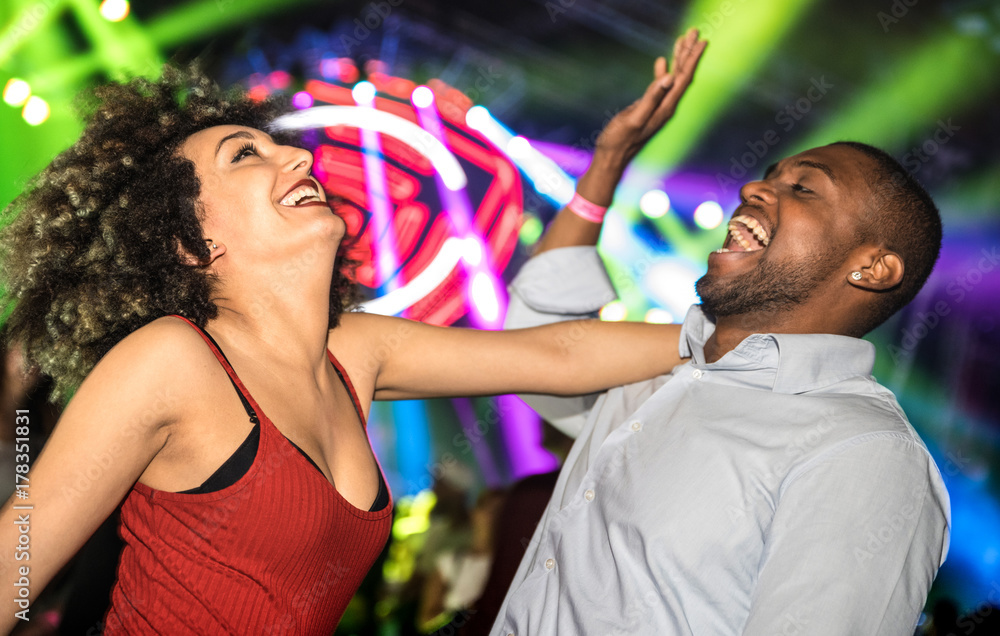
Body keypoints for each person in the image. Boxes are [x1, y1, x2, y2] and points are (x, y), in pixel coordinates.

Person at [0, 54, 698, 634]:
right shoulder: (173, 360)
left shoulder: (355, 351)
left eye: (279, 143)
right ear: (191, 242)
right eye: (246, 154)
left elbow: (559, 356)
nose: (299, 156)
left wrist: (739, 329)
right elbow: (15, 569)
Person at [495, 28, 950, 635]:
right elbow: (534, 341)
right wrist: (606, 165)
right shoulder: (661, 383)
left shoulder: (862, 452)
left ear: (871, 267)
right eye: (771, 174)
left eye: (804, 188)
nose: (752, 188)